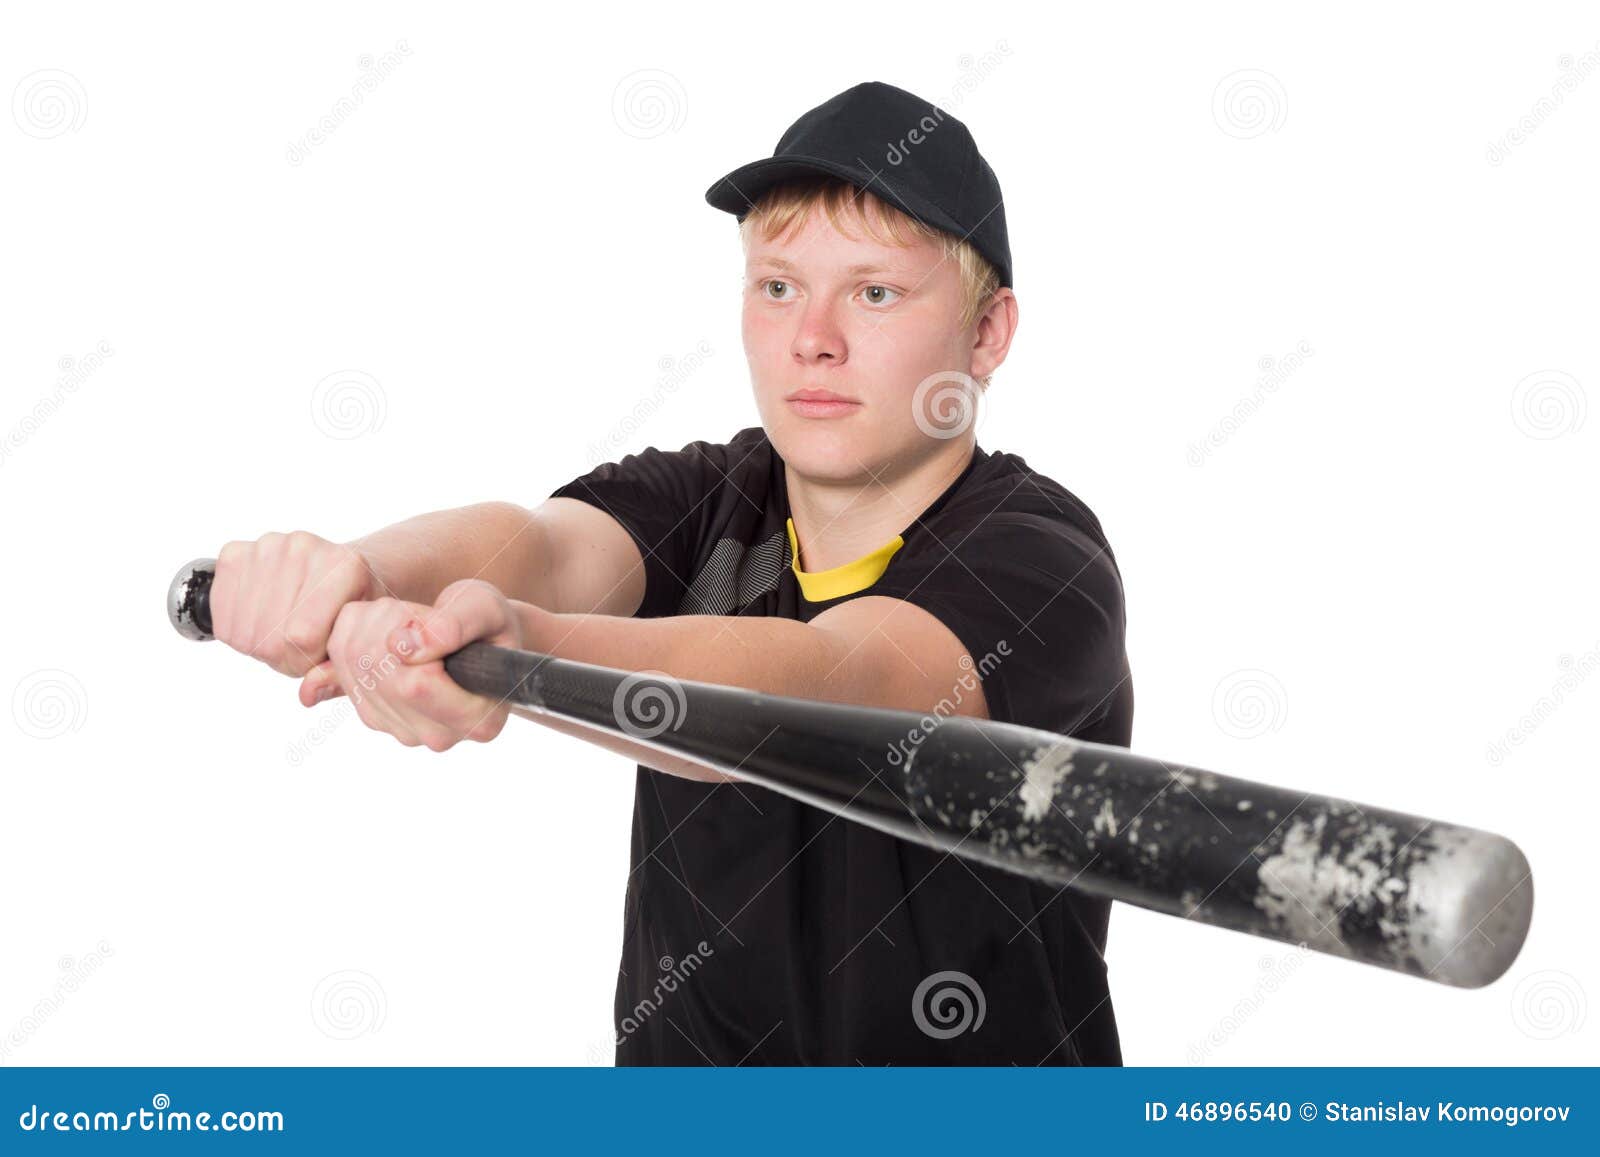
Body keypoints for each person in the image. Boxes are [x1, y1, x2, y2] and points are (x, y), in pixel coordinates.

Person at [207, 81, 1134, 1065]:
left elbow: (835, 687)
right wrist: (358, 577)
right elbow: (538, 546)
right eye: (777, 285)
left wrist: (524, 651)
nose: (810, 336)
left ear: (986, 333)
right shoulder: (706, 494)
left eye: (873, 291)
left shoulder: (1041, 559)